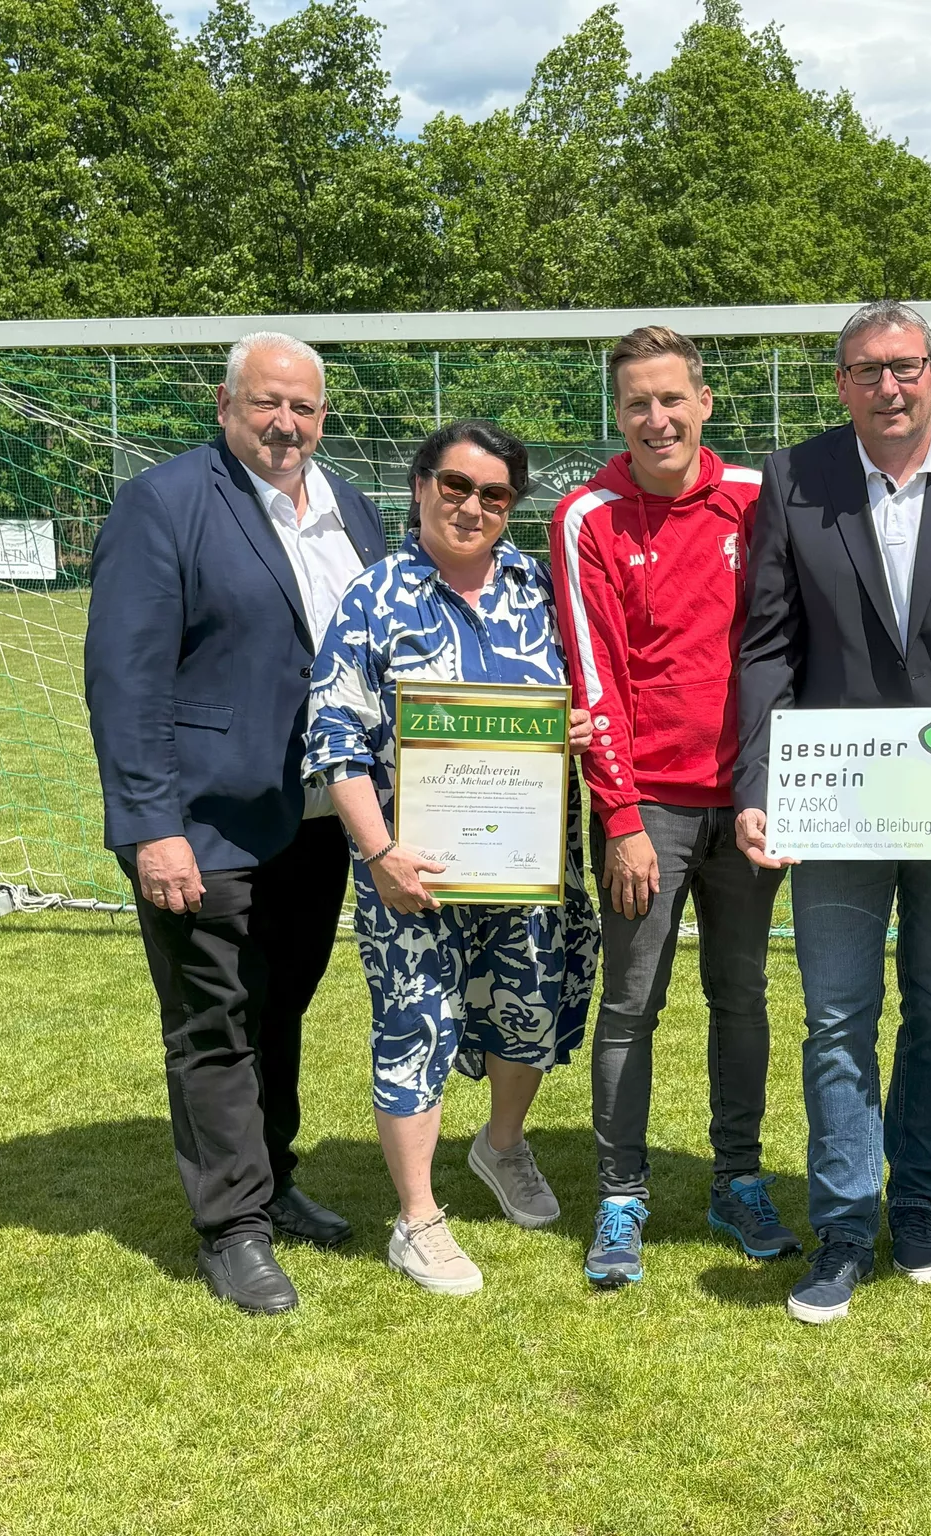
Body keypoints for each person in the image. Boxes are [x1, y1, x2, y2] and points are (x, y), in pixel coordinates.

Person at [736, 299, 931, 1325]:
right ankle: (841, 1228)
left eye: (905, 365)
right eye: (867, 369)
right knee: (836, 1016)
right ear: (841, 384)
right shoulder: (793, 478)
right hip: (834, 802)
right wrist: (758, 785)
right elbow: (767, 648)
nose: (889, 385)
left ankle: (914, 1204)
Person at [86, 332, 388, 1314]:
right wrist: (151, 825)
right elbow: (124, 679)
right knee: (213, 1021)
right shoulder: (164, 503)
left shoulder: (352, 508)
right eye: (266, 403)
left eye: (302, 407)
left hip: (319, 818)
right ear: (225, 406)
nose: (284, 423)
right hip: (204, 820)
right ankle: (232, 1229)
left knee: (280, 1006)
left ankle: (273, 1177)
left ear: (323, 417)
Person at [304, 419, 600, 1298]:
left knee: (531, 1010)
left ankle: (502, 1146)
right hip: (414, 871)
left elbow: (585, 697)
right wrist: (382, 853)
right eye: (457, 486)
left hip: (528, 863)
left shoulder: (539, 589)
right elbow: (335, 740)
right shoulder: (375, 597)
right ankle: (418, 1218)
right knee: (415, 1027)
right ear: (421, 486)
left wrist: (575, 727)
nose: (473, 507)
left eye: (495, 495)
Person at [550, 326, 795, 1288]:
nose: (656, 419)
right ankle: (621, 1194)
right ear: (618, 415)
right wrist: (618, 817)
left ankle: (738, 1179)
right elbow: (594, 677)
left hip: (750, 802)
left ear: (704, 404)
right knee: (631, 1002)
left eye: (671, 399)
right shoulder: (588, 517)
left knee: (742, 996)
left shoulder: (760, 499)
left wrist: (783, 784)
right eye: (636, 404)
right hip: (647, 803)